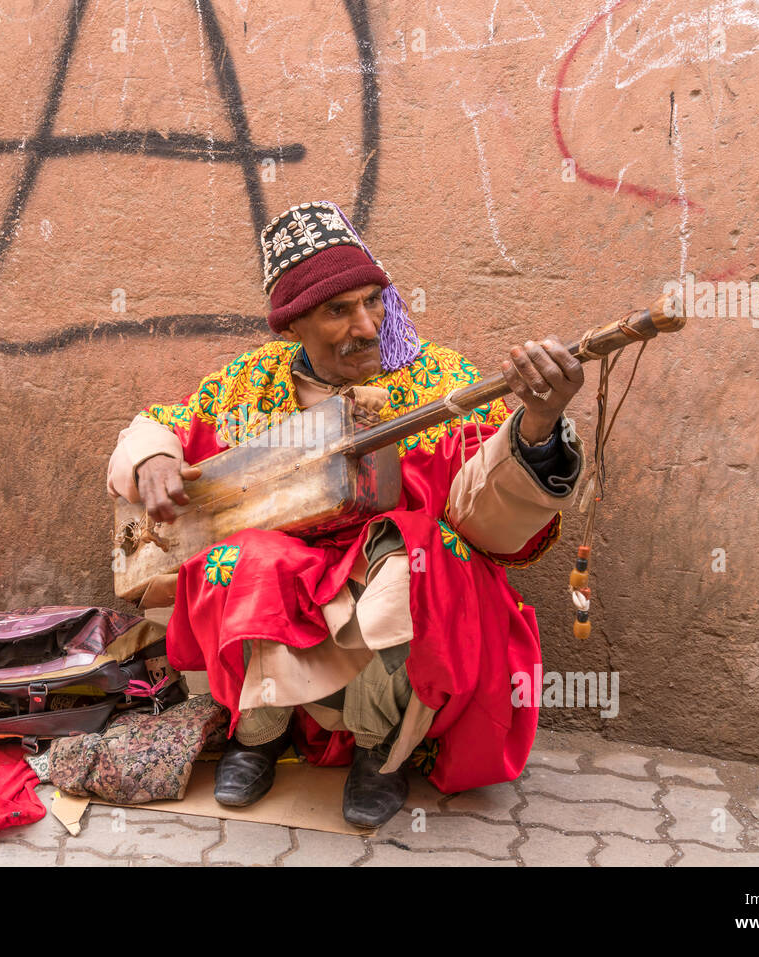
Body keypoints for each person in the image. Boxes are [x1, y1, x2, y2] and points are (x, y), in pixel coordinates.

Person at [106, 201, 586, 828]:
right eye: (339, 310)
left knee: (416, 553)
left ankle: (381, 749)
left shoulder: (438, 380)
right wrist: (154, 463)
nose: (366, 325)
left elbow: (485, 521)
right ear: (293, 325)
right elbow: (156, 428)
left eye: (373, 301)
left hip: (384, 580)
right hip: (289, 583)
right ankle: (259, 731)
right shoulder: (248, 386)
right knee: (242, 561)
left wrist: (540, 424)